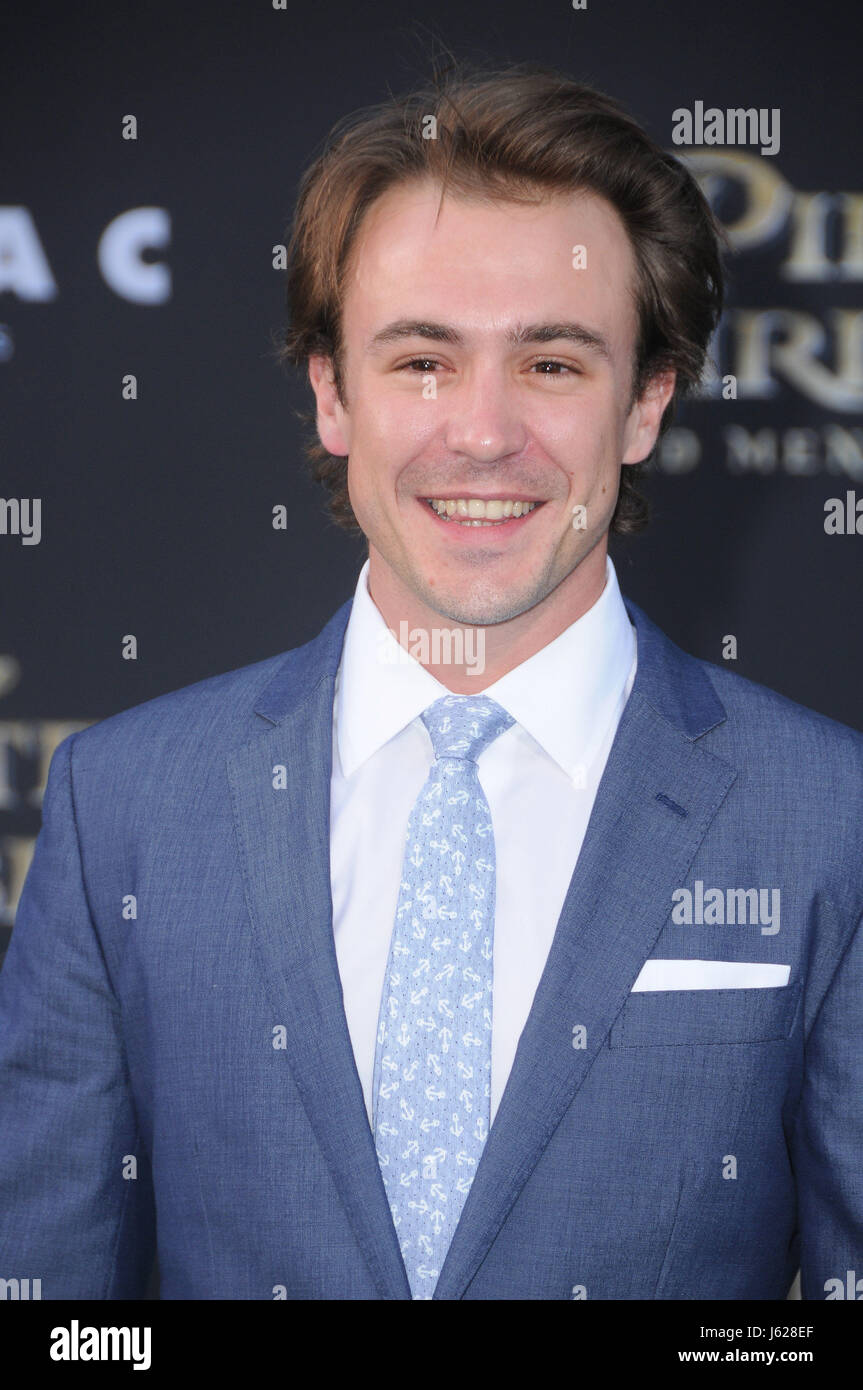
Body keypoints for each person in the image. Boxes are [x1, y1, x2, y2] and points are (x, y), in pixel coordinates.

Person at [1, 63, 861, 1301]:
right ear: (331, 393)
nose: (481, 432)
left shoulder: (824, 815)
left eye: (553, 365)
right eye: (419, 362)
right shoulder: (121, 809)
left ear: (644, 406)